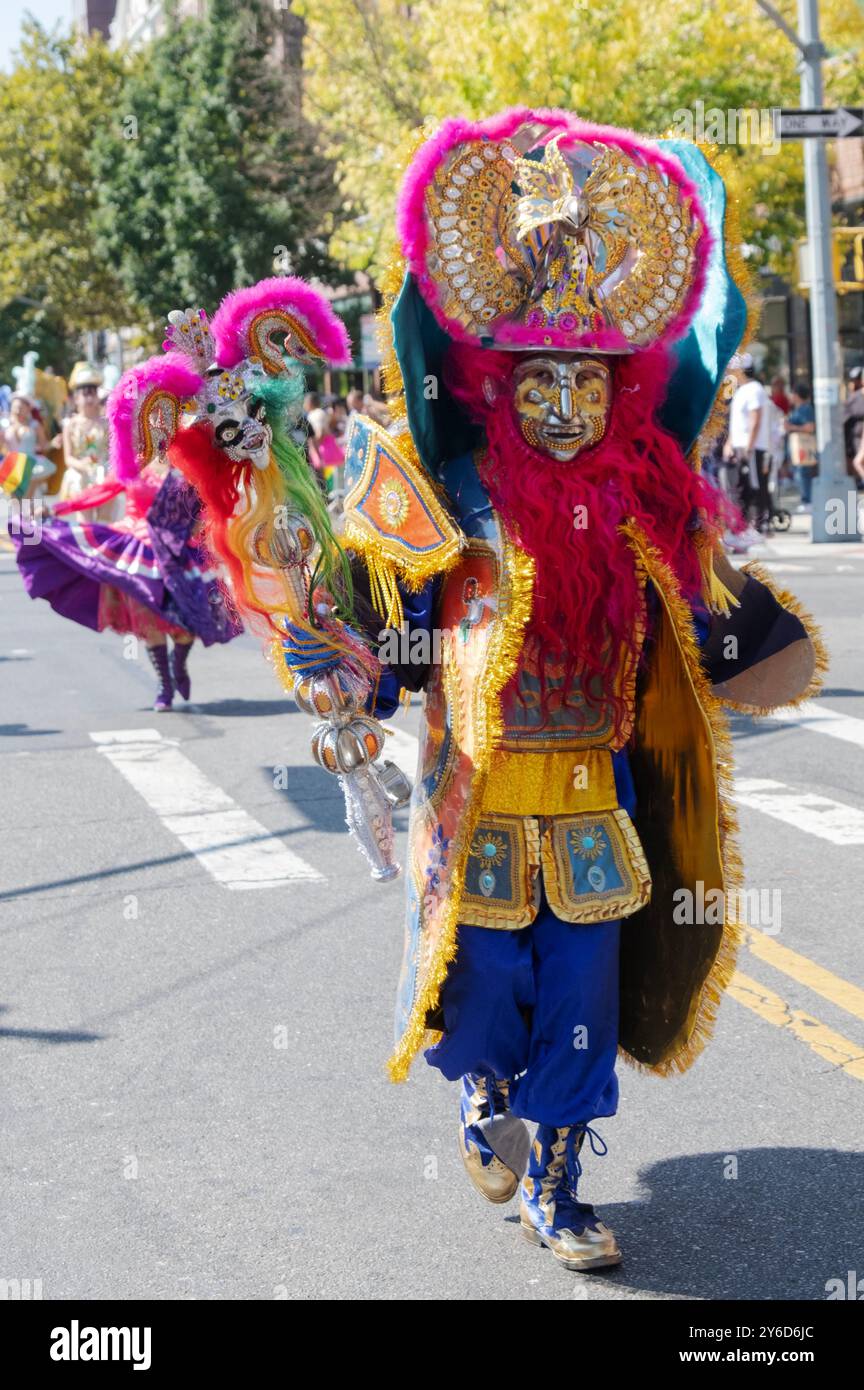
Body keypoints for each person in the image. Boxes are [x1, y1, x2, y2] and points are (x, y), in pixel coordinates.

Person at [270, 112, 824, 1272]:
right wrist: (346, 663)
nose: (564, 401)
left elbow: (706, 593)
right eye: (539, 378)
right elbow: (393, 629)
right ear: (497, 386)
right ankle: (480, 1101)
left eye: (588, 378)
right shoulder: (461, 504)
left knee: (581, 1009)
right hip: (479, 799)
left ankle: (561, 1190)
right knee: (483, 1002)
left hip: (594, 808)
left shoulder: (637, 510)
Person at [7, 342, 242, 711]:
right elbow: (100, 492)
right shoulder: (134, 463)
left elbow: (208, 502)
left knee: (187, 621)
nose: (158, 427)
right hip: (138, 546)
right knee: (145, 611)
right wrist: (56, 512)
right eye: (152, 420)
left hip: (180, 548)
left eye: (165, 419)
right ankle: (164, 686)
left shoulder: (188, 467)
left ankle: (180, 662)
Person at [725, 353, 771, 531]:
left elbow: (755, 419)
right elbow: (737, 422)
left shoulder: (754, 389)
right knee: (741, 486)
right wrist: (730, 443)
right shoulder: (741, 390)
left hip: (751, 447)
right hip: (740, 446)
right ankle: (744, 525)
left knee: (754, 485)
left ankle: (759, 525)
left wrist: (749, 447)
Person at [59, 363, 110, 501]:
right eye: (85, 394)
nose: (89, 398)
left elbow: (114, 452)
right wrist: (83, 466)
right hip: (80, 477)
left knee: (104, 521)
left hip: (103, 475)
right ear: (76, 399)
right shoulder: (70, 425)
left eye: (93, 394)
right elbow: (68, 458)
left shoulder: (107, 423)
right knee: (84, 522)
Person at [786, 380, 817, 512]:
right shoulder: (799, 409)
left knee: (803, 473)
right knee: (801, 473)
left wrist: (791, 427)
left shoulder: (805, 409)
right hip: (798, 448)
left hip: (803, 447)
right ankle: (806, 499)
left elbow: (810, 427)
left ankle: (807, 500)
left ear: (797, 395)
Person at [844, 366, 864, 487]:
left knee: (858, 462)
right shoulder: (854, 398)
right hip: (856, 436)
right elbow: (844, 417)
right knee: (857, 462)